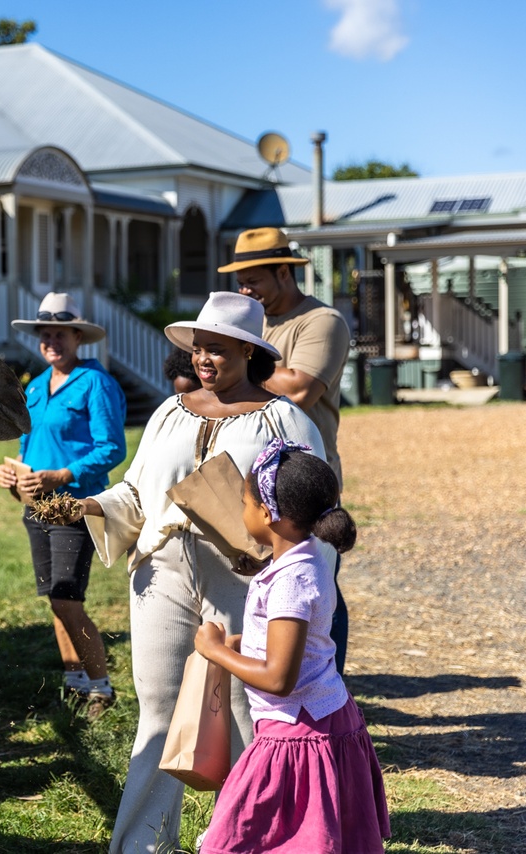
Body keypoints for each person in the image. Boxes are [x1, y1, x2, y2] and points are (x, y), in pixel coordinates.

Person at [64, 291, 325, 854]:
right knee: (159, 711)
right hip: (160, 573)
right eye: (199, 348)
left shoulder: (287, 421)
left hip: (246, 580)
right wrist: (87, 506)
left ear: (249, 352)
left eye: (217, 349)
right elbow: (136, 492)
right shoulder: (169, 411)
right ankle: (141, 845)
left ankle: (253, 838)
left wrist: (273, 566)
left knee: (247, 716)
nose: (204, 359)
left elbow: (309, 511)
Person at [194, 440, 389, 853]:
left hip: (295, 734)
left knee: (241, 840)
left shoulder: (289, 581)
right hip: (327, 719)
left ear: (267, 513)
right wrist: (247, 642)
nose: (243, 509)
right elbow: (305, 639)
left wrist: (217, 651)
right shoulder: (312, 555)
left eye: (246, 501)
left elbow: (279, 678)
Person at [220, 227, 353, 675]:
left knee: (313, 583)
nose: (244, 290)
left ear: (284, 272)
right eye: (239, 281)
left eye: (253, 279)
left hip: (302, 480)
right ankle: (274, 674)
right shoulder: (255, 322)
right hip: (252, 483)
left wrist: (236, 364)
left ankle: (326, 685)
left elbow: (299, 389)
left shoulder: (321, 322)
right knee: (262, 585)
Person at [0, 292, 127, 717]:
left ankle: (101, 689)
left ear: (78, 337)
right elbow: (27, 446)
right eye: (45, 334)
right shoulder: (35, 386)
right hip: (36, 508)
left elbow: (112, 448)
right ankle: (74, 680)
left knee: (68, 599)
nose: (52, 341)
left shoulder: (96, 383)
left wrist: (61, 476)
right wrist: (12, 477)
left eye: (60, 333)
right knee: (56, 599)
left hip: (73, 507)